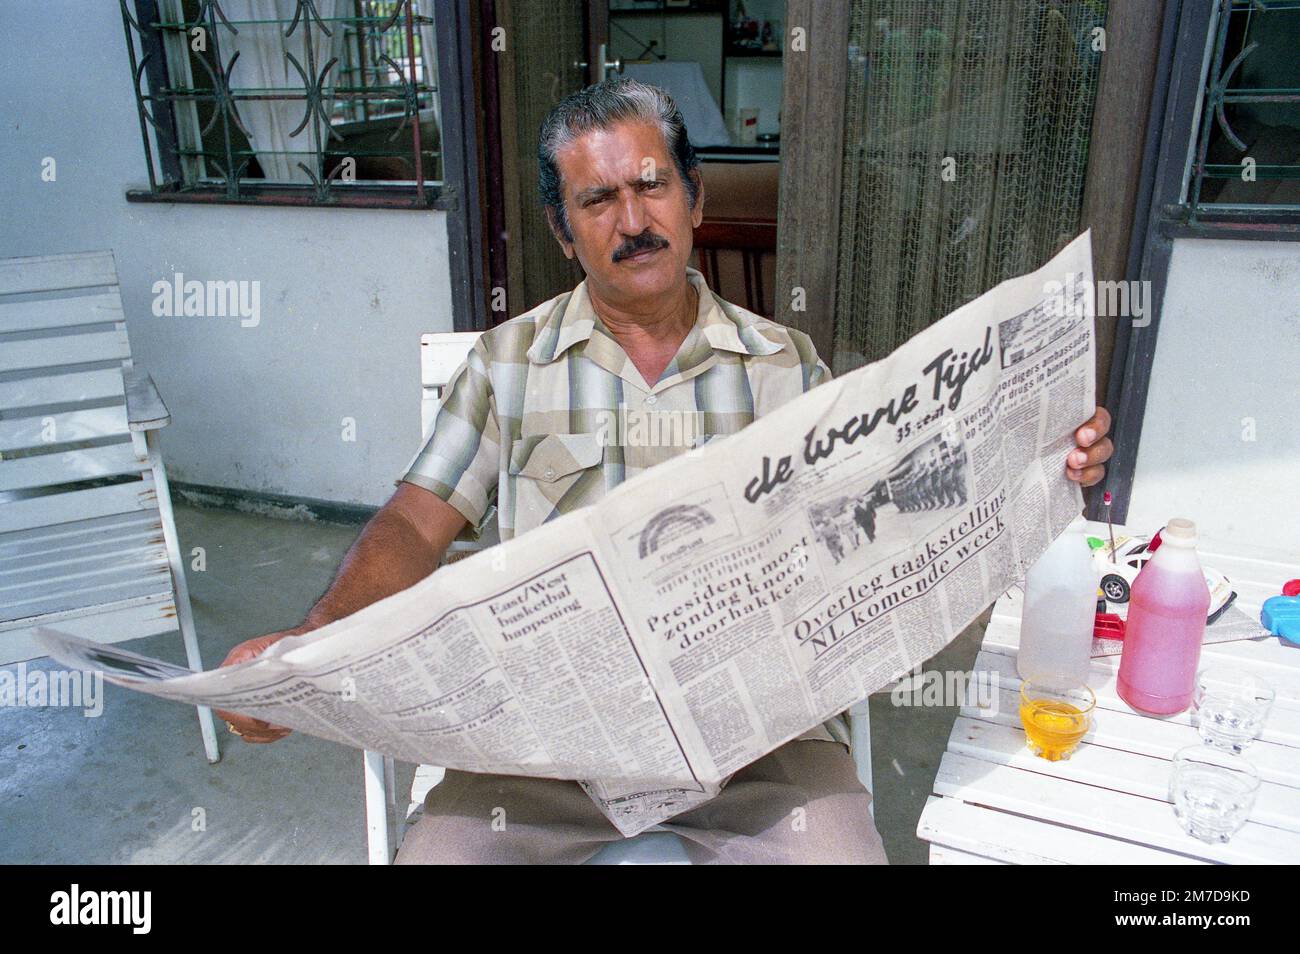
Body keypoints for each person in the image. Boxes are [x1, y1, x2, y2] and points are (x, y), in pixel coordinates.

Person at [217, 78, 1115, 864]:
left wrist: (1044, 458)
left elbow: (885, 518)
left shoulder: (783, 365)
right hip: (541, 755)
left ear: (692, 196)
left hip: (757, 749)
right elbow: (416, 522)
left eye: (651, 185)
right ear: (562, 232)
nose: (633, 220)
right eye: (597, 199)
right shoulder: (508, 364)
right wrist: (307, 647)